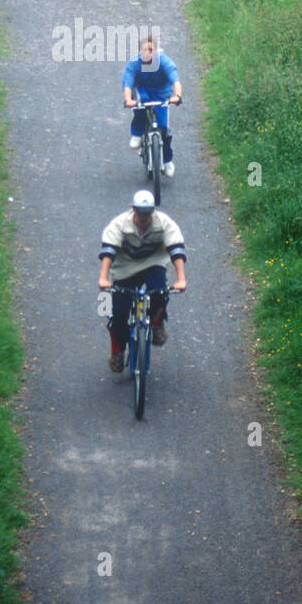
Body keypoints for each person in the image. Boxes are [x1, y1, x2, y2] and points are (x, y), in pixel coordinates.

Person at [98, 189, 187, 372]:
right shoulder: (119, 224)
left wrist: (181, 279)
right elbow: (108, 251)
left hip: (153, 262)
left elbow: (176, 249)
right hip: (125, 266)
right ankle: (117, 351)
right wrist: (103, 278)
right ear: (133, 209)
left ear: (153, 210)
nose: (144, 218)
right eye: (140, 213)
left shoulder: (164, 223)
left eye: (147, 213)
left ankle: (156, 323)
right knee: (118, 314)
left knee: (159, 290)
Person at [122, 35, 182, 176]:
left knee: (164, 129)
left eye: (151, 50)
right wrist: (128, 100)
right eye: (144, 49)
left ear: (156, 51)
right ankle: (137, 133)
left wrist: (177, 96)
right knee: (140, 108)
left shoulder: (164, 62)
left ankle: (167, 161)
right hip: (143, 90)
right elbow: (128, 84)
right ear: (139, 51)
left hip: (161, 93)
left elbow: (175, 80)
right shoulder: (134, 64)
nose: (148, 53)